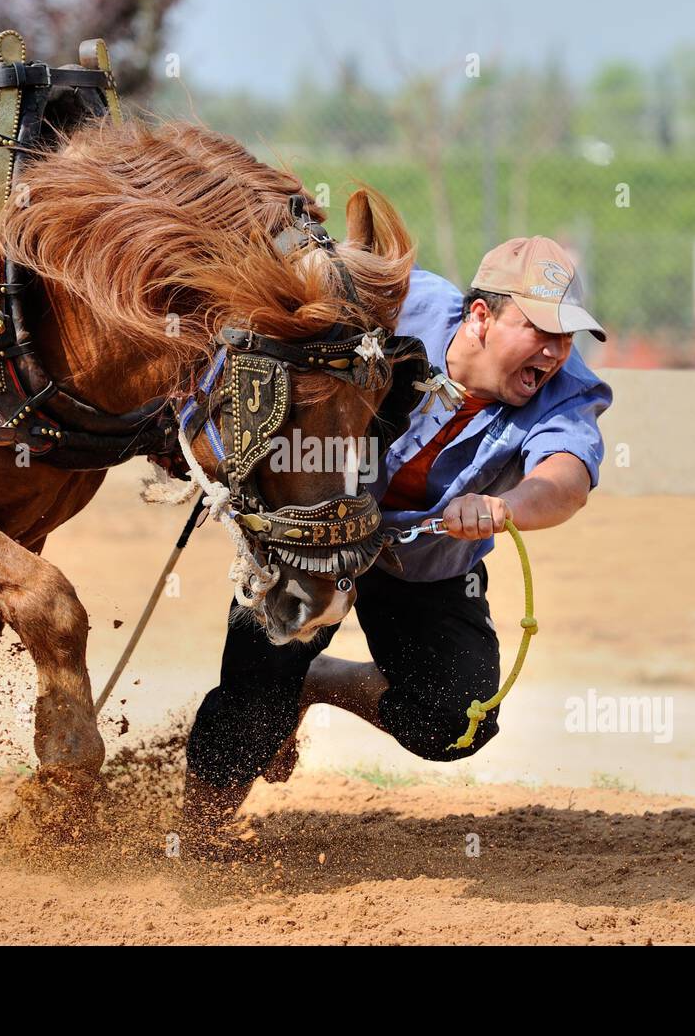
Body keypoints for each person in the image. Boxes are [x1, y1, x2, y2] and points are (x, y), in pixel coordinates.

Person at [183, 236, 613, 835]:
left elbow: (566, 478)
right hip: (316, 539)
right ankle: (195, 836)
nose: (556, 351)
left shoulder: (568, 391)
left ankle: (319, 682)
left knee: (456, 719)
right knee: (254, 698)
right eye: (540, 330)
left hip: (427, 564)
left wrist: (503, 506)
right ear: (481, 317)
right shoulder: (399, 302)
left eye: (566, 337)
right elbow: (287, 298)